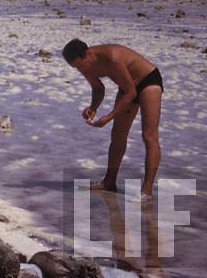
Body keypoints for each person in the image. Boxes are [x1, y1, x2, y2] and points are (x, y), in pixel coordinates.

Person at [62, 38, 163, 202]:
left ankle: (147, 191)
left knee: (149, 136)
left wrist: (109, 117)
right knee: (117, 134)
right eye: (76, 68)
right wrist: (93, 108)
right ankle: (109, 182)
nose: (81, 70)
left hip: (148, 81)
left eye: (81, 65)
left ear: (88, 53)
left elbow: (131, 92)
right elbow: (98, 88)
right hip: (127, 87)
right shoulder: (83, 63)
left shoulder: (112, 57)